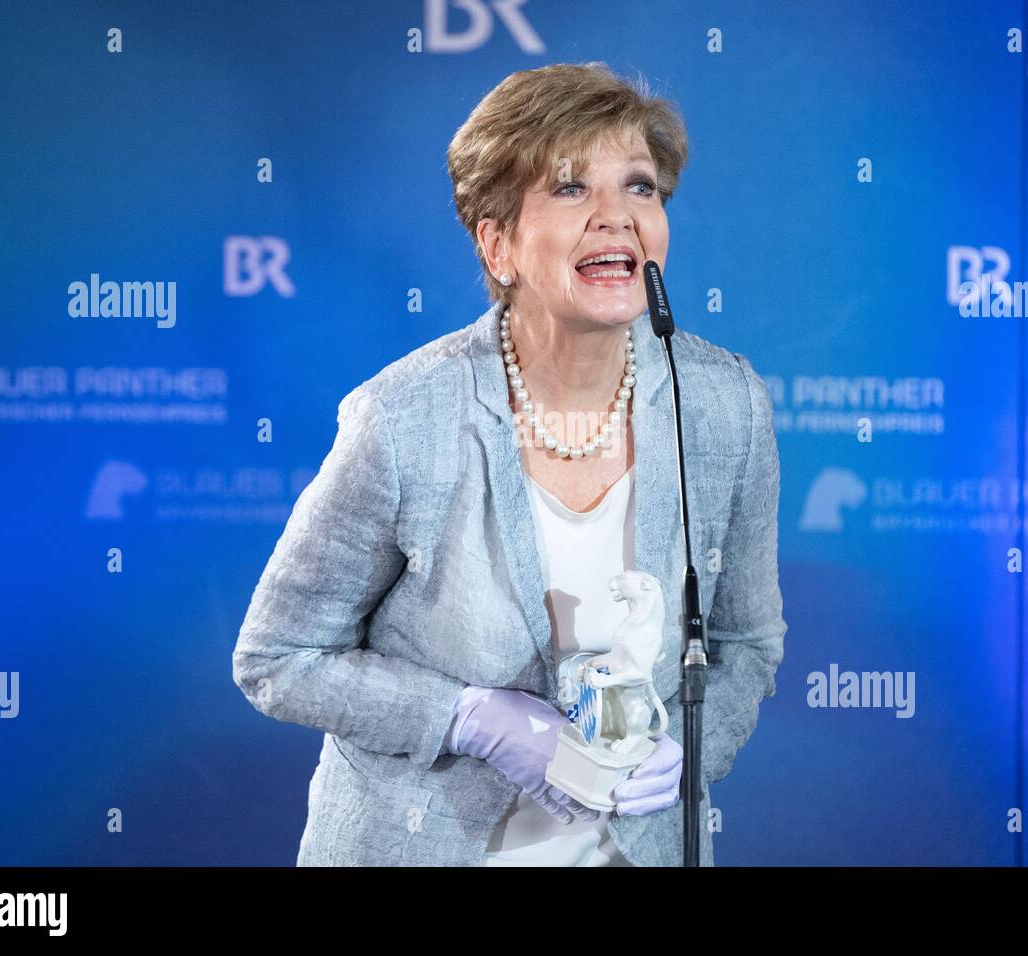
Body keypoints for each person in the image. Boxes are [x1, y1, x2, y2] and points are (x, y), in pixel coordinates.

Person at [232, 61, 787, 867]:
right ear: (497, 243)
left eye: (640, 188)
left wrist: (692, 757)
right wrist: (469, 718)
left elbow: (746, 642)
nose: (618, 219)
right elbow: (277, 660)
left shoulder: (725, 406)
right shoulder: (405, 419)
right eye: (570, 190)